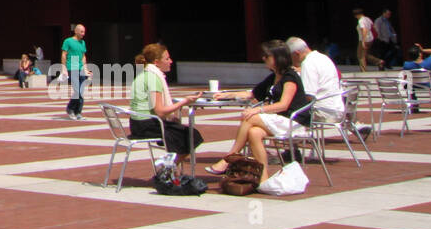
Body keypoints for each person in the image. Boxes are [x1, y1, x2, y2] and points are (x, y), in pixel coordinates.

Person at [206, 41, 311, 182]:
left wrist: (258, 110)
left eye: (267, 56)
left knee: (249, 117)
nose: (263, 59)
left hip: (294, 122)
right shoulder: (273, 77)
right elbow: (252, 94)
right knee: (253, 132)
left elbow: (283, 105)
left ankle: (230, 157)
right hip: (279, 121)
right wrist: (227, 94)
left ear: (277, 57)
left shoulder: (289, 77)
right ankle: (263, 179)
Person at [127, 44, 202, 166]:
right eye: (167, 59)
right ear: (157, 62)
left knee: (180, 132)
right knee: (192, 136)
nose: (171, 61)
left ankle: (169, 168)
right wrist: (185, 101)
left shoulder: (143, 75)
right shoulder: (153, 78)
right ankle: (167, 169)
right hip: (147, 126)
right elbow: (160, 111)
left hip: (137, 124)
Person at [287, 37, 344, 122]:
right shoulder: (323, 57)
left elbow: (309, 96)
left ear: (296, 54)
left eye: (290, 57)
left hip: (324, 112)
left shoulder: (308, 64)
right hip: (338, 108)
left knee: (285, 114)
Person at [61, 23, 90, 120]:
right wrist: (64, 68)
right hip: (72, 66)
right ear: (76, 31)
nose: (83, 34)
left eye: (84, 32)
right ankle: (70, 108)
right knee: (77, 91)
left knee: (81, 92)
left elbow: (83, 56)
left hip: (81, 67)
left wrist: (85, 68)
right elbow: (64, 54)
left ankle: (78, 112)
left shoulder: (83, 43)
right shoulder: (68, 41)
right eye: (81, 32)